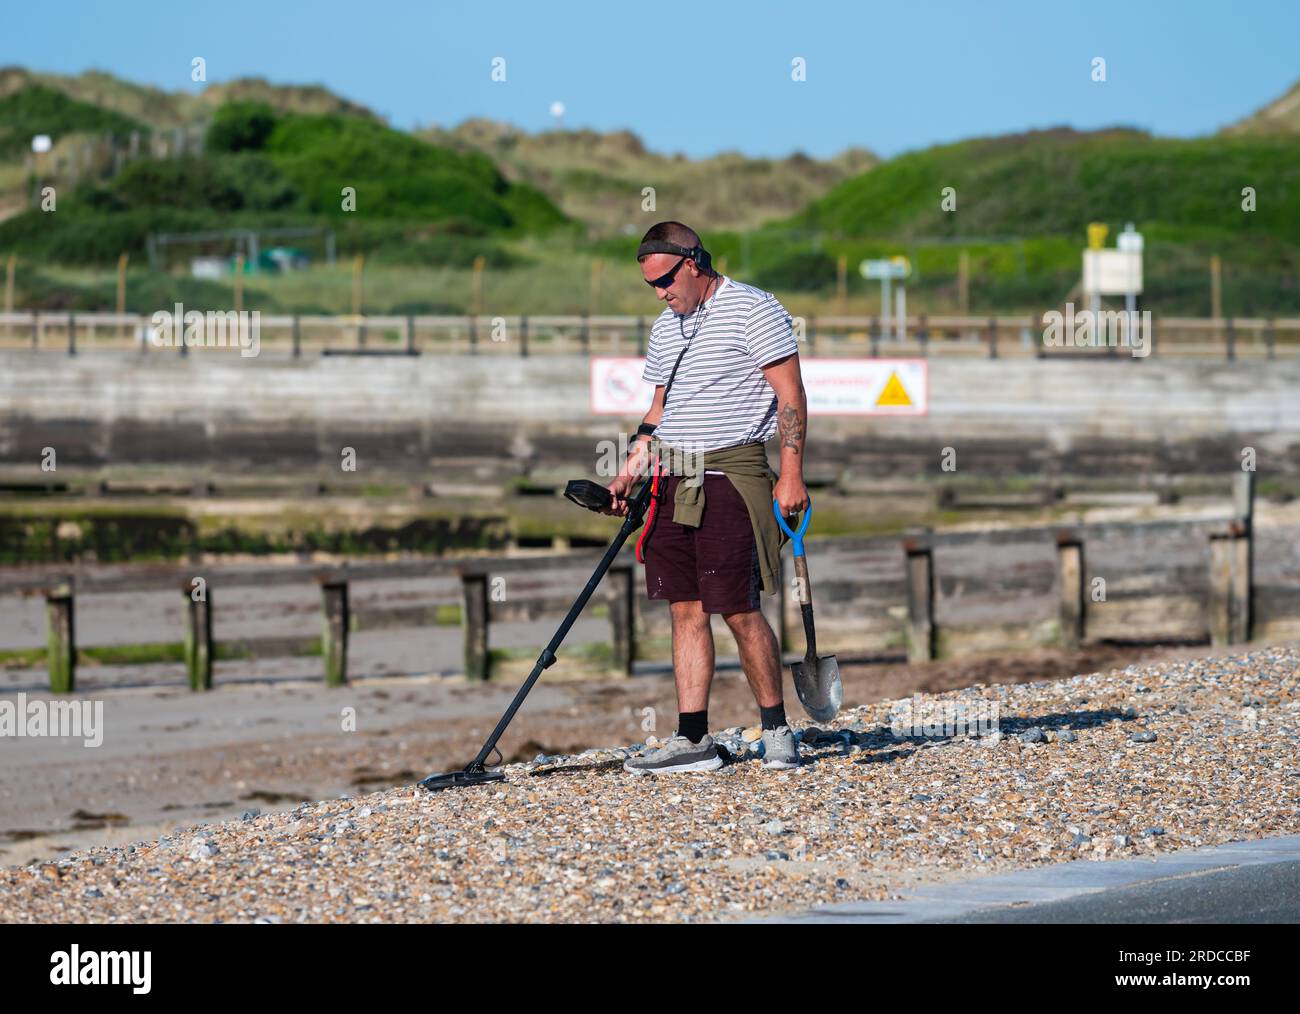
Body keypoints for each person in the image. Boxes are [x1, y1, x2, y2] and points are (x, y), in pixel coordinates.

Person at [603, 221, 809, 775]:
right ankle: (693, 738)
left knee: (739, 608)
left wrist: (791, 475)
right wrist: (628, 471)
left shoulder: (754, 309)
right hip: (675, 477)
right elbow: (658, 412)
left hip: (732, 473)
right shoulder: (667, 327)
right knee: (685, 608)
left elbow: (790, 394)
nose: (661, 292)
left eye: (666, 280)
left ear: (694, 262)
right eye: (650, 285)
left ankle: (777, 730)